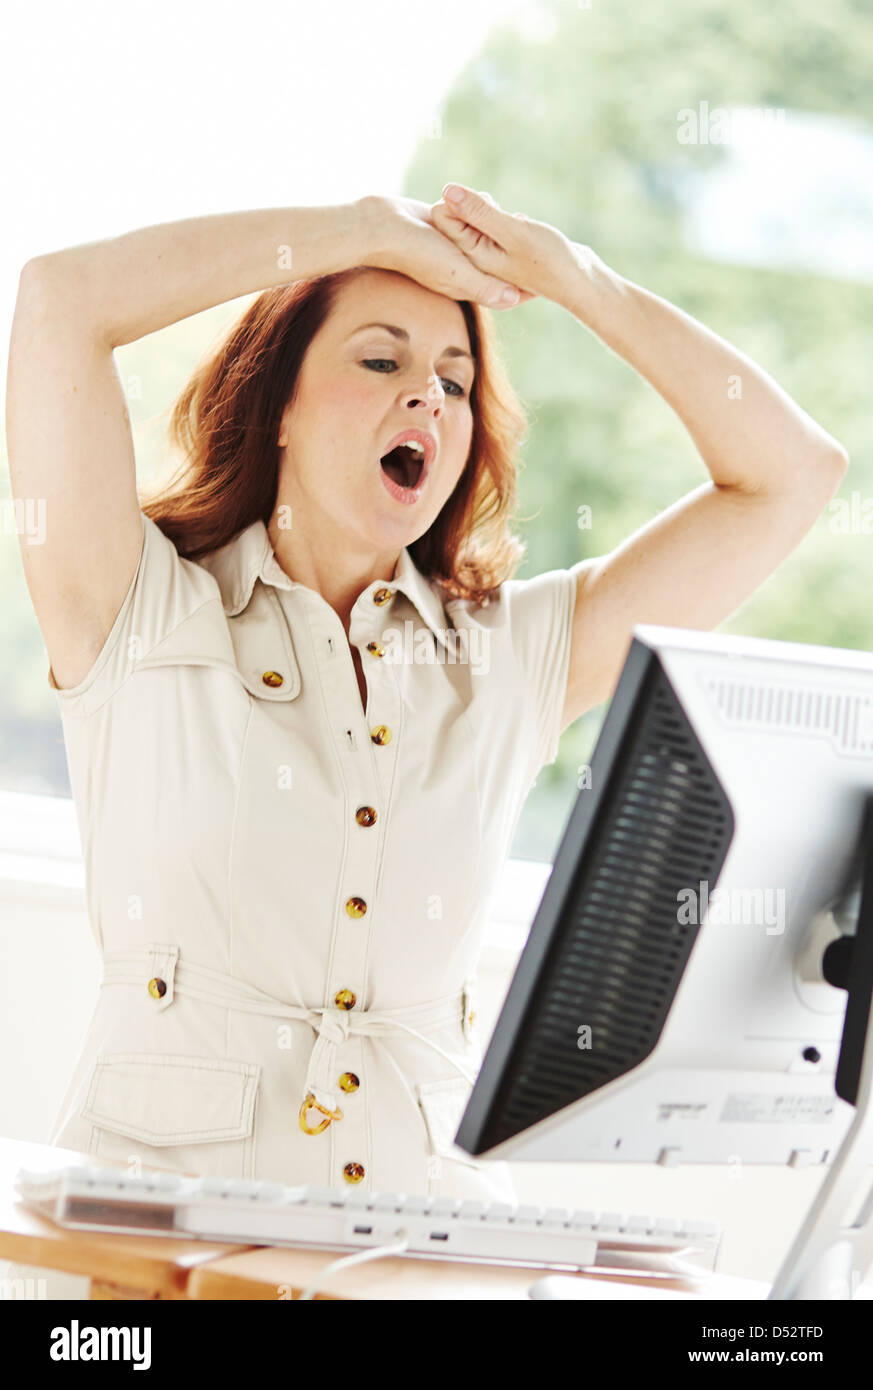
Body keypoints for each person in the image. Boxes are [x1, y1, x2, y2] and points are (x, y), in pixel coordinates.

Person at [6, 184, 848, 1204]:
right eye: (380, 359)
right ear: (280, 407)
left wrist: (576, 280)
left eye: (455, 382)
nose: (429, 399)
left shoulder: (509, 655)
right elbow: (58, 302)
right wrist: (354, 228)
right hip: (142, 1259)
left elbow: (792, 474)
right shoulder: (132, 604)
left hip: (404, 1251)